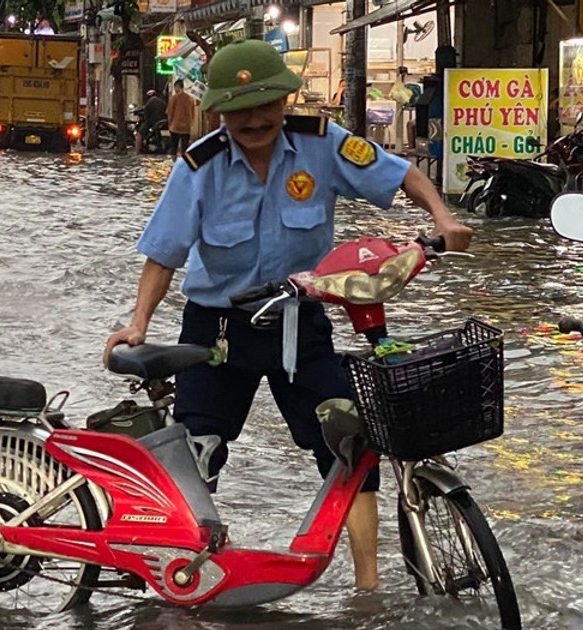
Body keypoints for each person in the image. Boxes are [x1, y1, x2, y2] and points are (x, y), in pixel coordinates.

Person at [102, 40, 474, 592]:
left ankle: (366, 590)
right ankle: (185, 574)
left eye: (266, 105)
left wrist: (444, 216)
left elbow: (399, 175)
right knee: (198, 449)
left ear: (285, 102)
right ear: (219, 112)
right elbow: (165, 253)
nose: (254, 120)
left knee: (348, 443)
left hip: (302, 322)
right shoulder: (197, 167)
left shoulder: (321, 144)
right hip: (217, 328)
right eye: (240, 109)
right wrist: (139, 323)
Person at [166, 79, 196, 156]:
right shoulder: (190, 99)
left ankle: (174, 163)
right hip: (186, 127)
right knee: (185, 148)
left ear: (177, 87)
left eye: (175, 87)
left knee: (174, 147)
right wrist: (191, 124)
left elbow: (170, 113)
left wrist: (169, 125)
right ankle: (184, 163)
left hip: (175, 126)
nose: (175, 89)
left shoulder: (173, 98)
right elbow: (192, 113)